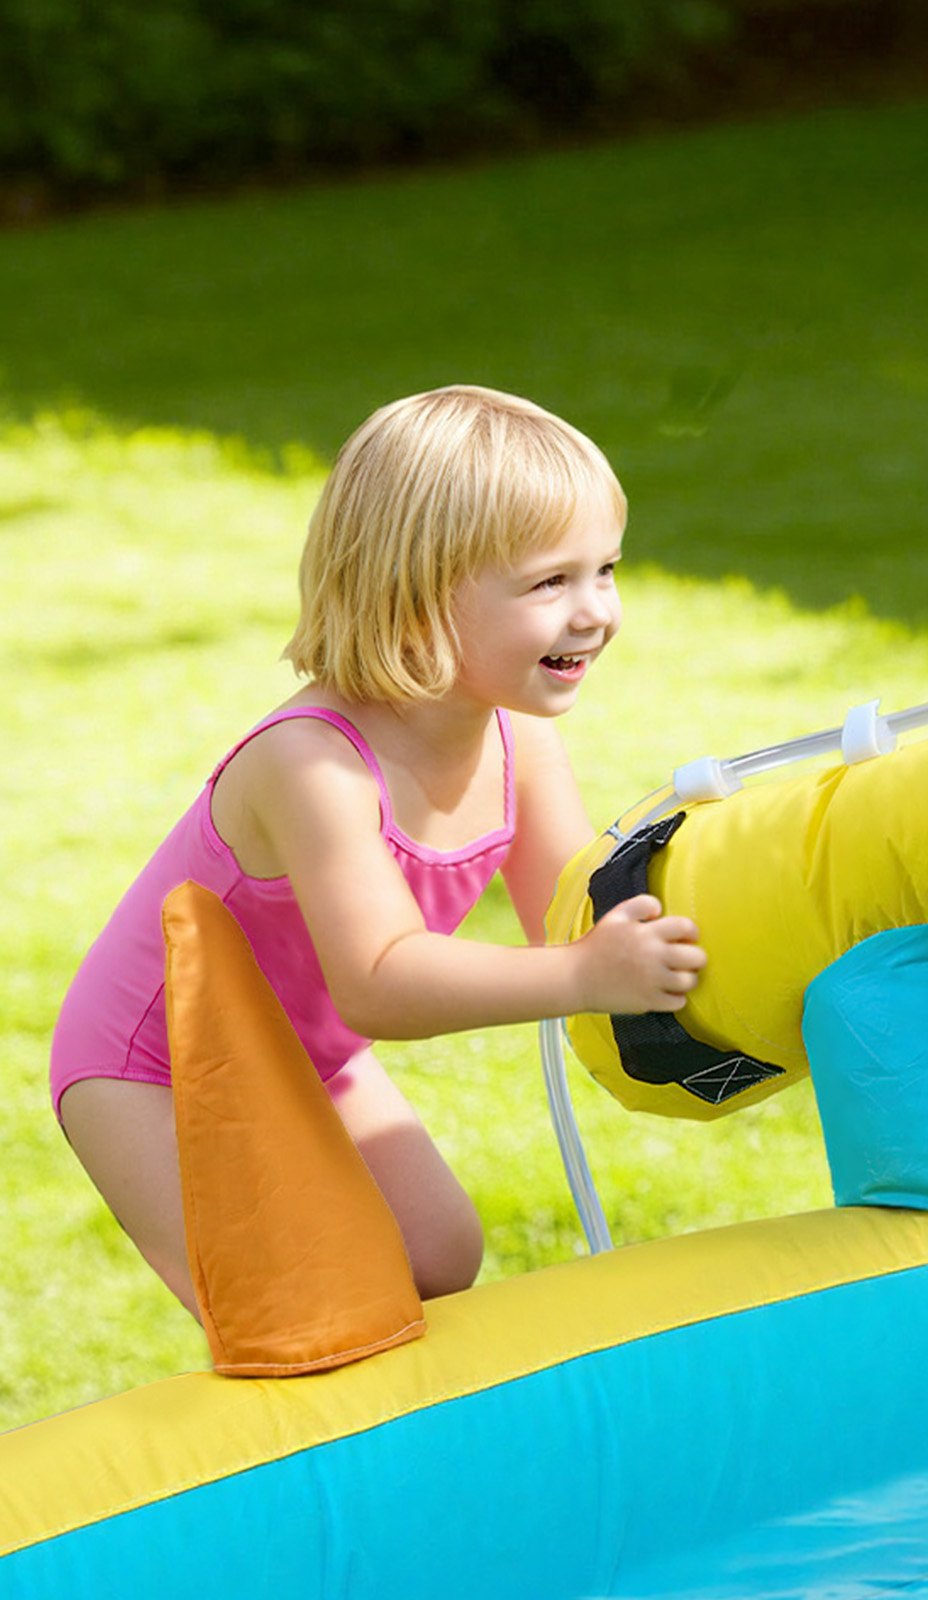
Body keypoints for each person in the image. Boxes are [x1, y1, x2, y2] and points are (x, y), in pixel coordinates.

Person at [50, 385, 706, 1317]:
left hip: (306, 1051)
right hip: (154, 1068)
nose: (596, 610)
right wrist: (583, 976)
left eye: (606, 568)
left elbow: (575, 913)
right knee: (290, 1310)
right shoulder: (312, 763)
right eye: (550, 582)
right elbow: (382, 982)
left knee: (437, 1255)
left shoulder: (521, 742)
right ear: (420, 595)